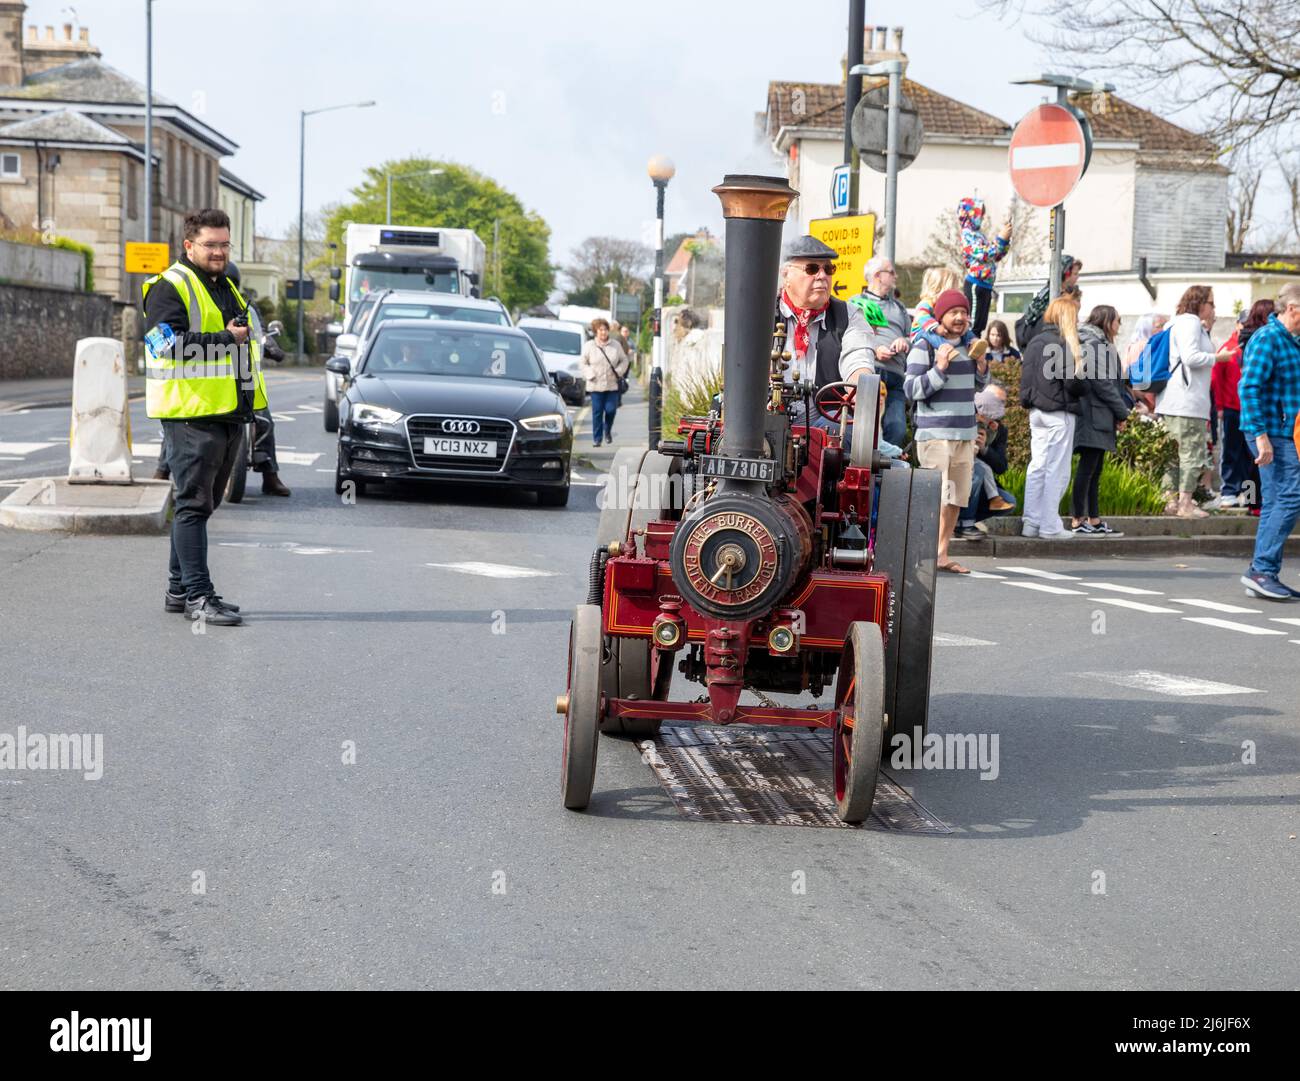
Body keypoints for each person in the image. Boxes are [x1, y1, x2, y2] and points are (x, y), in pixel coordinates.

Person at [143, 208, 268, 627]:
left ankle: (179, 589)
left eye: (224, 244)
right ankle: (198, 596)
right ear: (189, 245)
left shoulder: (224, 284)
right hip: (191, 413)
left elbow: (242, 344)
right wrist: (223, 338)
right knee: (193, 506)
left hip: (227, 411)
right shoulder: (169, 287)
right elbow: (162, 345)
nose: (218, 251)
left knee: (202, 505)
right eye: (210, 244)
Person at [904, 289, 990, 573]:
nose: (960, 318)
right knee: (935, 497)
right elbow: (911, 389)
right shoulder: (924, 346)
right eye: (954, 312)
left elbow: (977, 385)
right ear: (940, 315)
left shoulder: (971, 345)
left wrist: (981, 368)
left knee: (955, 498)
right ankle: (923, 554)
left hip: (964, 435)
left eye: (964, 313)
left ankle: (941, 554)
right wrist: (939, 368)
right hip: (935, 435)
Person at [1237, 282, 1300, 600]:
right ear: (1293, 309)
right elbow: (1248, 388)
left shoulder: (1291, 341)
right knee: (1291, 496)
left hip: (1285, 430)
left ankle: (1262, 573)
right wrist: (1261, 437)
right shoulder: (1268, 339)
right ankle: (1262, 569)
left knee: (1277, 500)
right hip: (1271, 431)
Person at [775, 235, 872, 440]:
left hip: (824, 424)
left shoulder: (849, 315)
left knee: (843, 438)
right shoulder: (763, 312)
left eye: (828, 269)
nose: (822, 276)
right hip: (768, 419)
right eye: (811, 269)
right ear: (786, 275)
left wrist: (860, 389)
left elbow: (858, 359)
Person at [1019, 294, 1086, 539]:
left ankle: (1031, 522)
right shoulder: (1063, 343)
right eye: (1076, 316)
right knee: (1056, 469)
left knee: (1037, 466)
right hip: (1060, 412)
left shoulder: (1035, 341)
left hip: (1036, 412)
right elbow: (1073, 383)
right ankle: (1050, 525)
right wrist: (1084, 383)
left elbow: (1026, 378)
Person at [1155, 285, 1220, 518]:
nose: (1213, 308)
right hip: (1188, 401)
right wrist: (1219, 357)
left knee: (1174, 454)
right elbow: (1191, 357)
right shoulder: (1190, 322)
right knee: (1191, 452)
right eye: (1211, 303)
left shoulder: (1177, 322)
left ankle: (1170, 501)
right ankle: (1185, 503)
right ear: (1200, 303)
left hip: (1174, 401)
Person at [1070, 305, 1131, 535]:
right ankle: (1078, 519)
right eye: (1117, 320)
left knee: (1095, 470)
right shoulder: (1094, 345)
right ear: (1106, 321)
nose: (1119, 326)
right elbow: (1102, 383)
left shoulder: (1101, 344)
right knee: (1087, 470)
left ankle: (1093, 519)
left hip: (1101, 414)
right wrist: (1121, 411)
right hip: (1093, 414)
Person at [1215, 301, 1271, 510]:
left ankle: (1249, 498)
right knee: (1231, 451)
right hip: (1231, 409)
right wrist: (1219, 407)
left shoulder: (1256, 345)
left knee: (1251, 458)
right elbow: (1217, 380)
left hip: (1249, 410)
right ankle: (1229, 490)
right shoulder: (1228, 349)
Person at [852, 255, 912, 446]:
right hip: (870, 371)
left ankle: (887, 469)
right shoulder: (855, 303)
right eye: (891, 272)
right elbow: (848, 337)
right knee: (865, 427)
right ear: (878, 275)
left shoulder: (900, 307)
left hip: (895, 376)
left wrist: (904, 341)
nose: (895, 277)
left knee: (897, 429)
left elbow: (913, 337)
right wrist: (874, 348)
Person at [955, 383, 1016, 539]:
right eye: (995, 401)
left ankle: (959, 520)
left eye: (1002, 403)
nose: (998, 409)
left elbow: (1001, 467)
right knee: (977, 471)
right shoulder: (964, 412)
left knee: (1008, 502)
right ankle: (964, 523)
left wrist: (985, 448)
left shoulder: (998, 429)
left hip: (980, 482)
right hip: (956, 470)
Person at [957, 196, 1012, 334]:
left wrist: (1005, 241)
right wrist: (1000, 239)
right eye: (979, 214)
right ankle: (970, 350)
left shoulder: (979, 235)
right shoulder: (967, 235)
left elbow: (996, 256)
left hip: (986, 285)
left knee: (980, 325)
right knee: (973, 324)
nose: (981, 218)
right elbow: (985, 254)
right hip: (976, 284)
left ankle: (976, 350)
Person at [581, 318, 629, 446]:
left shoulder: (615, 345)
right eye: (600, 330)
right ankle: (597, 439)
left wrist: (619, 372)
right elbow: (582, 363)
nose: (603, 332)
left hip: (612, 385)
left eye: (605, 329)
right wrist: (590, 374)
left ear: (608, 330)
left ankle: (607, 431)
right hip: (595, 385)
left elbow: (624, 360)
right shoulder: (589, 346)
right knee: (597, 413)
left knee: (611, 410)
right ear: (596, 331)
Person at [1017, 255, 1082, 348]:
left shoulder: (1070, 292)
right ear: (1065, 274)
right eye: (1075, 274)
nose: (1077, 277)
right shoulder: (1049, 296)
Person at [1122, 310, 1168, 413]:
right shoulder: (1144, 346)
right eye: (1159, 326)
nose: (1163, 330)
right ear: (1146, 328)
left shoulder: (1133, 345)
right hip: (1146, 402)